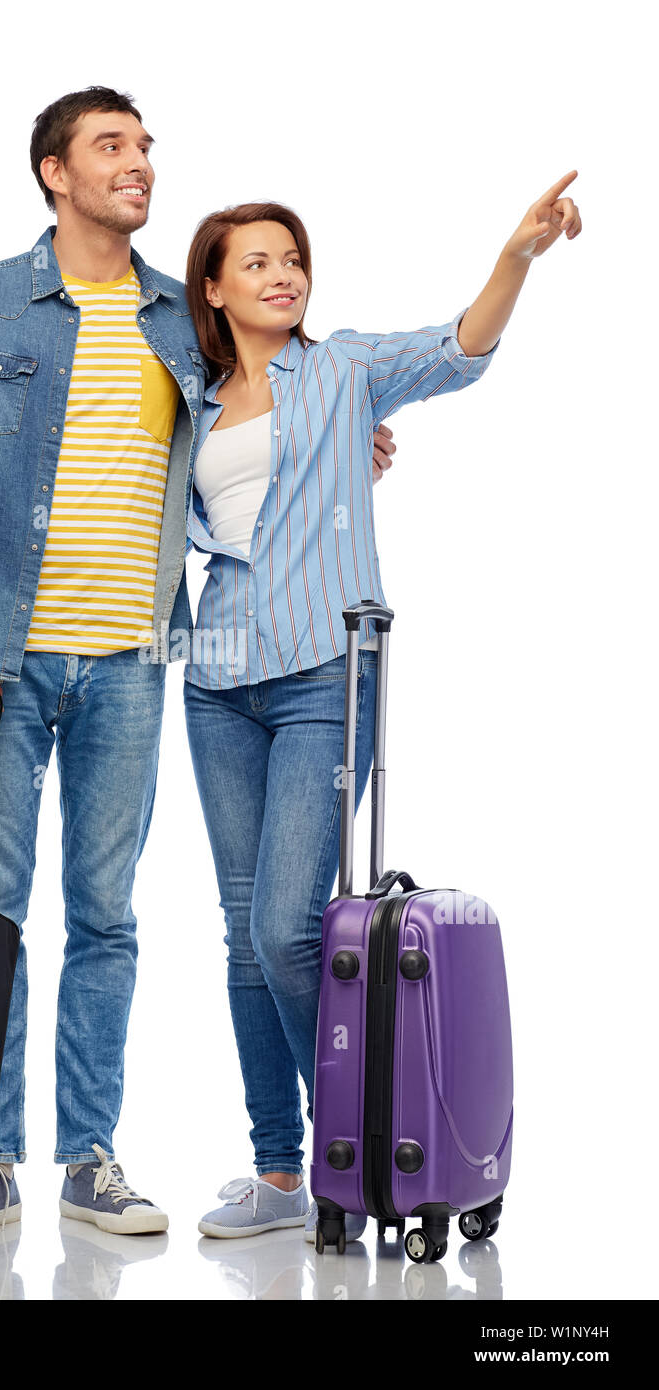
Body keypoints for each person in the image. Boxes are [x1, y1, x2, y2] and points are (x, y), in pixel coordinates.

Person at [0, 85, 401, 1238]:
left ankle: (89, 1158)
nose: (139, 164)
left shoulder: (186, 315)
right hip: (2, 660)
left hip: (137, 657)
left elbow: (267, 414)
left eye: (145, 147)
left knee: (108, 917)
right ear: (54, 174)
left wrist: (343, 447)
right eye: (110, 147)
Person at [183, 179, 580, 1241]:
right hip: (215, 675)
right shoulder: (187, 400)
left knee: (286, 926)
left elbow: (458, 348)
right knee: (241, 935)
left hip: (327, 671)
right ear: (214, 288)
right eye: (256, 262)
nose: (281, 275)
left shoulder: (346, 368)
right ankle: (281, 1172)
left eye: (291, 258)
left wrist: (518, 257)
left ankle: (360, 1134)